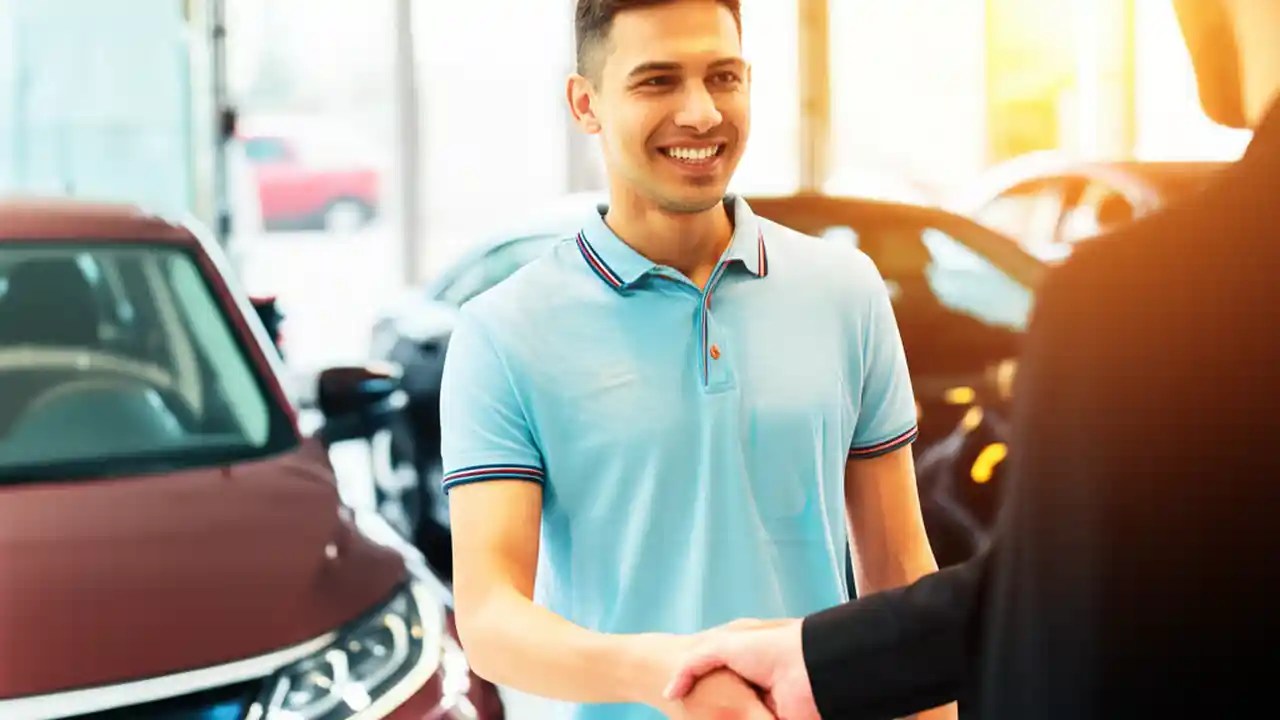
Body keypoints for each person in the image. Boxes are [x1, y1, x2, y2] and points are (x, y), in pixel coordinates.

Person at [662, 0, 1280, 717]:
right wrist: (827, 659)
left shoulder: (1149, 309)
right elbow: (1094, 588)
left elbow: (1070, 645)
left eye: (725, 77)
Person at [438, 1, 949, 719]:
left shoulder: (846, 292)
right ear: (586, 104)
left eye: (724, 77)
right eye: (657, 81)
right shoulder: (502, 331)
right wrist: (666, 672)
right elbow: (491, 621)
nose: (703, 113)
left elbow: (900, 573)